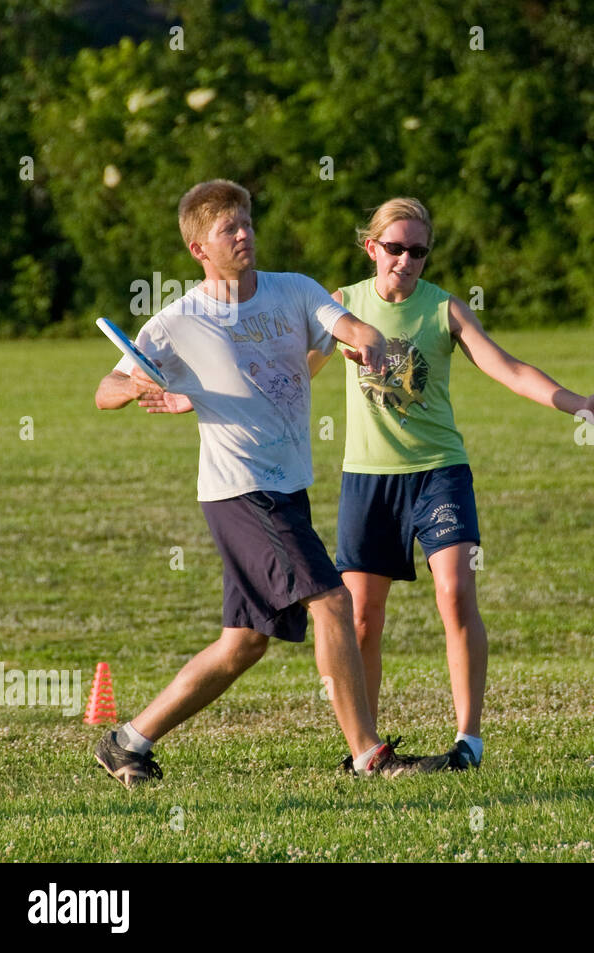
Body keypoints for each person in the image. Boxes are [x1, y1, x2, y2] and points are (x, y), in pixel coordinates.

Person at [92, 179, 440, 786]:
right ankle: (368, 754)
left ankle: (127, 741)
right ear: (200, 248)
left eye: (247, 221)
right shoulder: (177, 321)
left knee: (244, 643)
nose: (245, 234)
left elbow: (352, 328)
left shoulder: (294, 292)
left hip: (287, 488)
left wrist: (370, 345)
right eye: (229, 229)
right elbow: (106, 390)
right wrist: (138, 385)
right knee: (333, 601)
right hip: (240, 490)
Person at [309, 197, 594, 772]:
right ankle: (365, 747)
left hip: (440, 472)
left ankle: (469, 741)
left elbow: (508, 368)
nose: (406, 260)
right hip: (368, 479)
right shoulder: (341, 306)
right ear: (372, 248)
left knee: (456, 593)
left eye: (418, 250)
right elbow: (296, 369)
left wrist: (577, 405)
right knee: (362, 618)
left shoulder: (444, 310)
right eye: (395, 248)